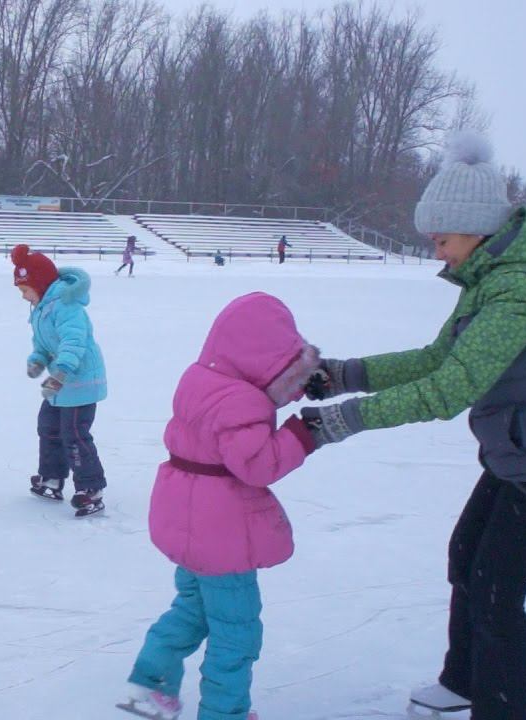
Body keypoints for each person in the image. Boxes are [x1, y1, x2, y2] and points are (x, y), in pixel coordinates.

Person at [300, 133, 526, 720]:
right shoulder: (490, 282)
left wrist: (341, 421)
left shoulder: (520, 288)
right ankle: (463, 682)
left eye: (442, 239)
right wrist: (343, 374)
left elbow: (451, 387)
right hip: (522, 451)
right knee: (468, 557)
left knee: (497, 589)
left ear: (475, 230)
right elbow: (436, 359)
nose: (437, 251)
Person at [118, 292, 318, 720]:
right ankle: (224, 713)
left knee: (192, 609)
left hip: (184, 519)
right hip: (223, 535)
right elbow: (256, 464)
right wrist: (303, 436)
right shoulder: (244, 401)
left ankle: (149, 685)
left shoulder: (199, 380)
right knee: (235, 633)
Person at [13, 244, 108, 517]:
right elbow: (42, 343)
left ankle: (90, 488)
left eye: (25, 289)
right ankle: (52, 478)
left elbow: (73, 341)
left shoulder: (67, 306)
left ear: (40, 284)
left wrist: (60, 372)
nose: (23, 296)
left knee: (74, 434)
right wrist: (37, 360)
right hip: (60, 383)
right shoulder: (41, 309)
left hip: (79, 382)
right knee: (48, 427)